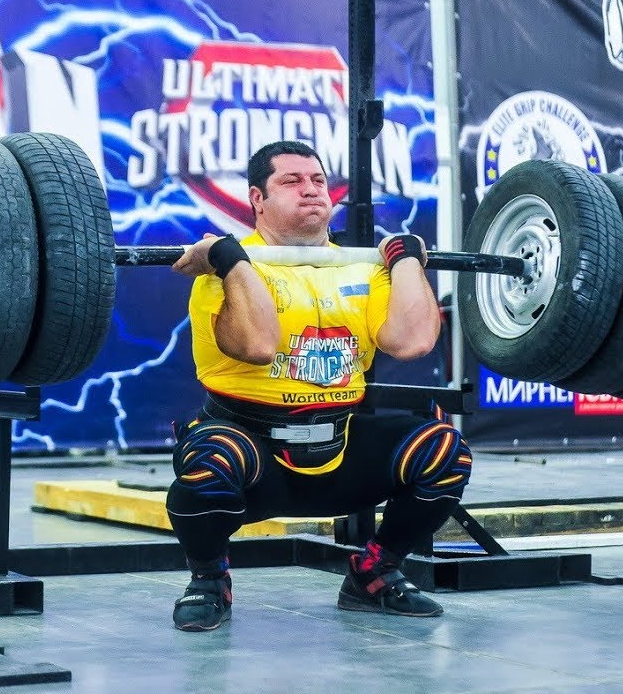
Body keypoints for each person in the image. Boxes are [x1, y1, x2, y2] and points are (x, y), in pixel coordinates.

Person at [164, 140, 474, 632]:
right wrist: (232, 260)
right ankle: (209, 579)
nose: (311, 191)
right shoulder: (223, 271)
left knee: (442, 450)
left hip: (339, 447)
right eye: (291, 181)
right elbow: (260, 345)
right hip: (254, 454)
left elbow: (413, 341)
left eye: (318, 181)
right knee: (210, 462)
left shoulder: (360, 266)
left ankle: (373, 574)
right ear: (256, 199)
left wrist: (406, 259)